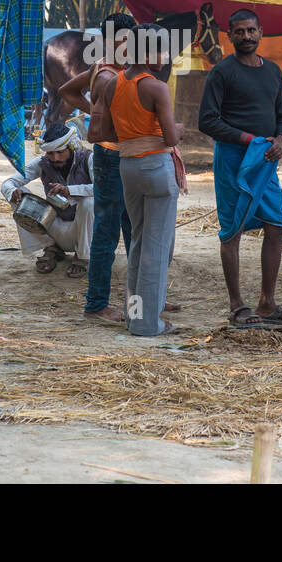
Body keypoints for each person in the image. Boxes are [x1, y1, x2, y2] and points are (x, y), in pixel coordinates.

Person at [198, 9, 282, 330]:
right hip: (231, 159)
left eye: (251, 30)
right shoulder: (221, 73)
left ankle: (267, 302)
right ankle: (236, 304)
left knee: (276, 225)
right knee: (232, 231)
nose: (246, 37)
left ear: (260, 32)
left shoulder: (272, 71)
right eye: (239, 32)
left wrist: (280, 140)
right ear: (230, 36)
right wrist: (247, 139)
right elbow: (208, 121)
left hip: (265, 161)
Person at [95, 24, 183, 337]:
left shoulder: (112, 84)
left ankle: (135, 317)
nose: (166, 56)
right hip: (156, 167)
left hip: (128, 166)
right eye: (161, 49)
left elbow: (105, 133)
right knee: (155, 251)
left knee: (137, 245)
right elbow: (170, 136)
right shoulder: (156, 87)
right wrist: (178, 130)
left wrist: (135, 134)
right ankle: (149, 324)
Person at [58, 11, 136, 324]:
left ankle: (142, 298)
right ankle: (96, 304)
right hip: (111, 156)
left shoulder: (126, 68)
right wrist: (97, 111)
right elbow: (66, 91)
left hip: (129, 156)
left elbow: (67, 91)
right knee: (107, 231)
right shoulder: (104, 71)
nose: (126, 44)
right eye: (121, 39)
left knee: (133, 229)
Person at [1, 122, 95, 276]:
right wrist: (13, 191)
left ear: (70, 147)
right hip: (54, 227)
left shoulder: (88, 159)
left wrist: (69, 190)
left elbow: (103, 189)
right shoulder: (43, 163)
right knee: (19, 197)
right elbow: (8, 183)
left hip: (84, 231)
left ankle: (84, 256)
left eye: (60, 152)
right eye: (50, 154)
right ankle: (51, 248)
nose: (55, 158)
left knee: (89, 203)